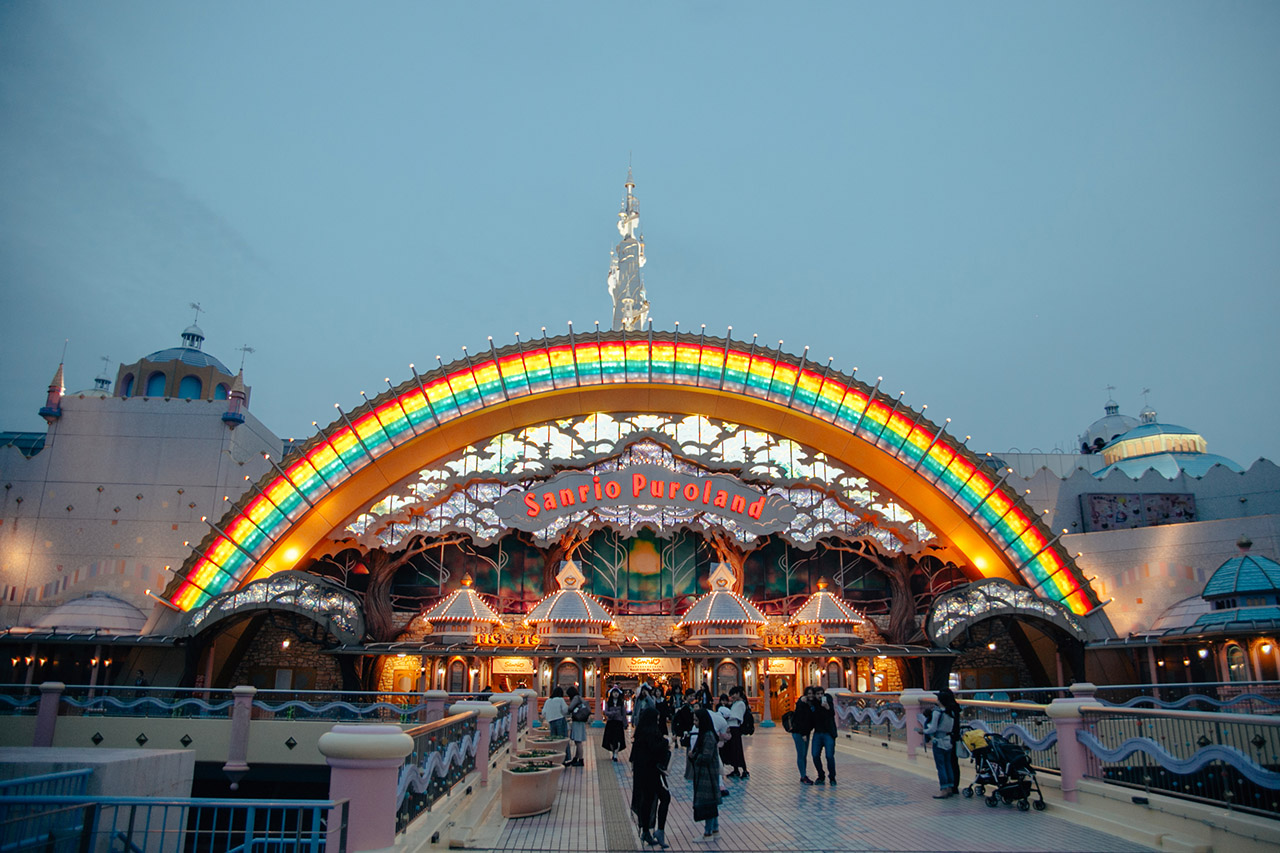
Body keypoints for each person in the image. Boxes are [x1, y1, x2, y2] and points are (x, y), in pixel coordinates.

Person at [630, 686, 671, 848]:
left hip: (644, 774)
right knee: (661, 798)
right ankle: (656, 830)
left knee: (647, 801)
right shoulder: (650, 736)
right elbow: (657, 749)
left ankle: (647, 830)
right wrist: (666, 743)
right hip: (650, 774)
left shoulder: (641, 735)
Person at [686, 698, 722, 838]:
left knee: (708, 802)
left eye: (696, 721)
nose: (695, 724)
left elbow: (706, 756)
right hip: (707, 773)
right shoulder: (708, 734)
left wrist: (694, 756)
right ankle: (714, 828)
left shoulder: (707, 736)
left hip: (707, 774)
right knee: (711, 802)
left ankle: (708, 831)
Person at [921, 687, 962, 798]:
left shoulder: (937, 712)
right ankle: (951, 787)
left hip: (939, 741)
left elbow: (933, 728)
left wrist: (923, 731)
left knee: (941, 766)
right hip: (949, 740)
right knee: (949, 764)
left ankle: (944, 789)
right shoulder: (953, 711)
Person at [787, 686, 816, 784]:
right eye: (809, 694)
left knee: (804, 755)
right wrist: (803, 733)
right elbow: (800, 720)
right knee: (801, 754)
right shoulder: (802, 704)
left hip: (806, 732)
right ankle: (803, 776)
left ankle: (803, 774)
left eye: (812, 693)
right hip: (799, 732)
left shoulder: (812, 704)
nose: (810, 696)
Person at [810, 685, 838, 786]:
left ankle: (832, 777)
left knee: (829, 756)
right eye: (817, 694)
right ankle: (821, 775)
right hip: (818, 733)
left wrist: (827, 707)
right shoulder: (813, 704)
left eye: (821, 694)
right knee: (815, 755)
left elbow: (832, 714)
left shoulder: (828, 700)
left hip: (828, 733)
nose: (820, 696)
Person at [721, 685, 749, 778]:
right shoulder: (735, 703)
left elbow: (738, 716)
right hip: (730, 727)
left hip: (735, 728)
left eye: (733, 694)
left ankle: (744, 769)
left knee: (737, 749)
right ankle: (736, 769)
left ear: (738, 694)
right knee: (732, 749)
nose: (732, 696)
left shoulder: (741, 703)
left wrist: (728, 716)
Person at [542, 685, 570, 763]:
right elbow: (565, 710)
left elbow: (543, 712)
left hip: (551, 721)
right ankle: (564, 758)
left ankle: (555, 758)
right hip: (560, 720)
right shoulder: (560, 700)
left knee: (554, 740)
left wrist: (548, 717)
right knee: (563, 740)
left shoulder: (548, 701)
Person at [602, 687, 628, 761]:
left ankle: (616, 754)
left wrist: (625, 723)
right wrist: (613, 713)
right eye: (614, 693)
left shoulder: (621, 703)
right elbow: (606, 712)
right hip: (610, 723)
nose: (615, 694)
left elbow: (623, 714)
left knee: (618, 739)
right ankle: (613, 752)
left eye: (617, 693)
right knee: (611, 739)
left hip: (618, 723)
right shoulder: (608, 703)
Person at [565, 686, 587, 767]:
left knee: (578, 741)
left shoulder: (576, 698)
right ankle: (576, 758)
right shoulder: (579, 698)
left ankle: (581, 760)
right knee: (578, 741)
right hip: (580, 721)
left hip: (577, 721)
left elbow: (570, 708)